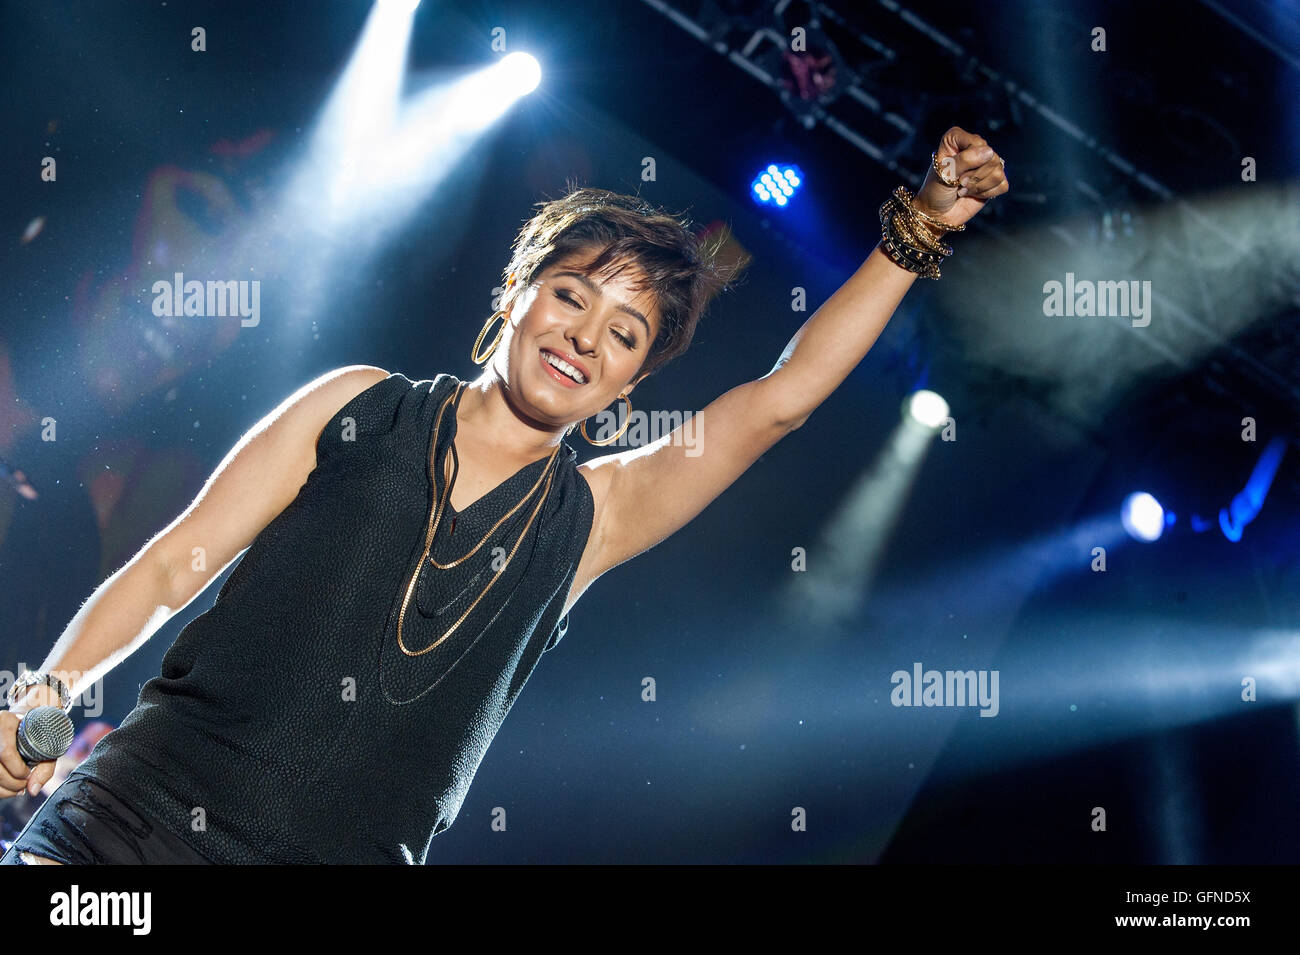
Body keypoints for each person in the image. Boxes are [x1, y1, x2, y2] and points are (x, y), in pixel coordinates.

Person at [0, 127, 1008, 864]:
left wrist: (913, 231)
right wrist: (46, 697)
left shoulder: (597, 518)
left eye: (623, 334)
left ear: (631, 383)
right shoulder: (360, 405)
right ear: (515, 291)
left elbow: (779, 402)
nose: (584, 336)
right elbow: (173, 563)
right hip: (126, 832)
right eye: (572, 295)